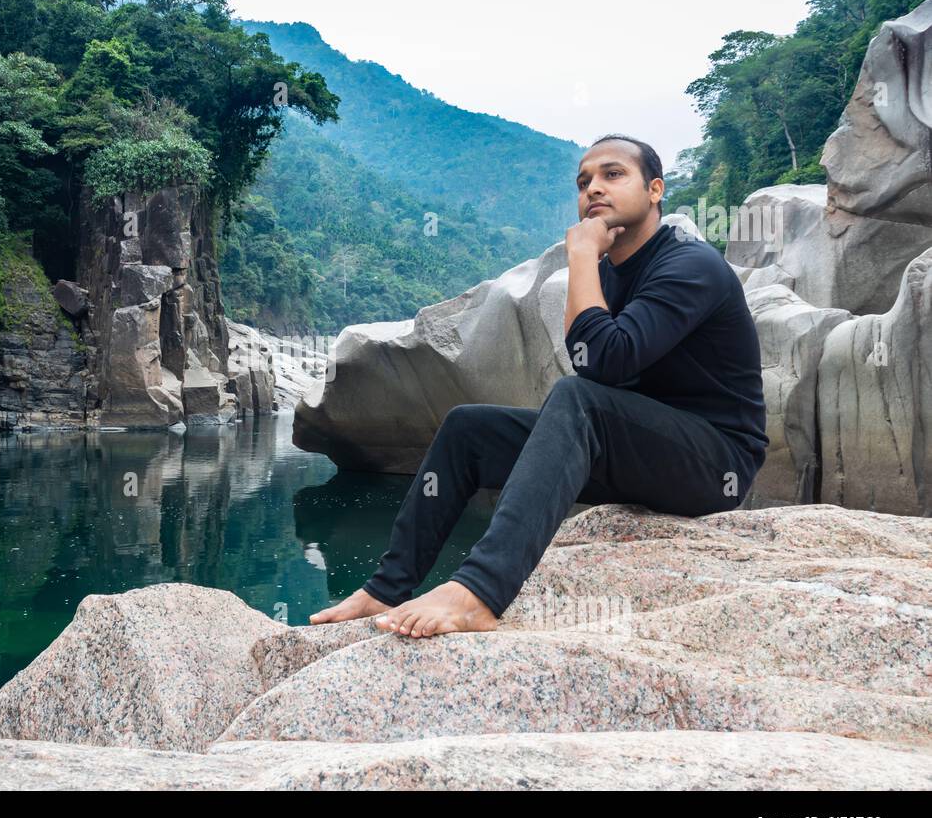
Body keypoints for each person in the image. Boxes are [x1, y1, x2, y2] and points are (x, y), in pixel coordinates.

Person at [309, 134, 768, 637]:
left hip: (716, 461)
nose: (594, 188)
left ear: (655, 189)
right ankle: (387, 587)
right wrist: (591, 263)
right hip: (643, 450)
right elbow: (594, 362)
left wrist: (581, 257)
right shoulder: (613, 273)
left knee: (577, 400)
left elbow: (605, 364)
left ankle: (480, 592)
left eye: (613, 175)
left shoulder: (689, 264)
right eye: (583, 181)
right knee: (468, 429)